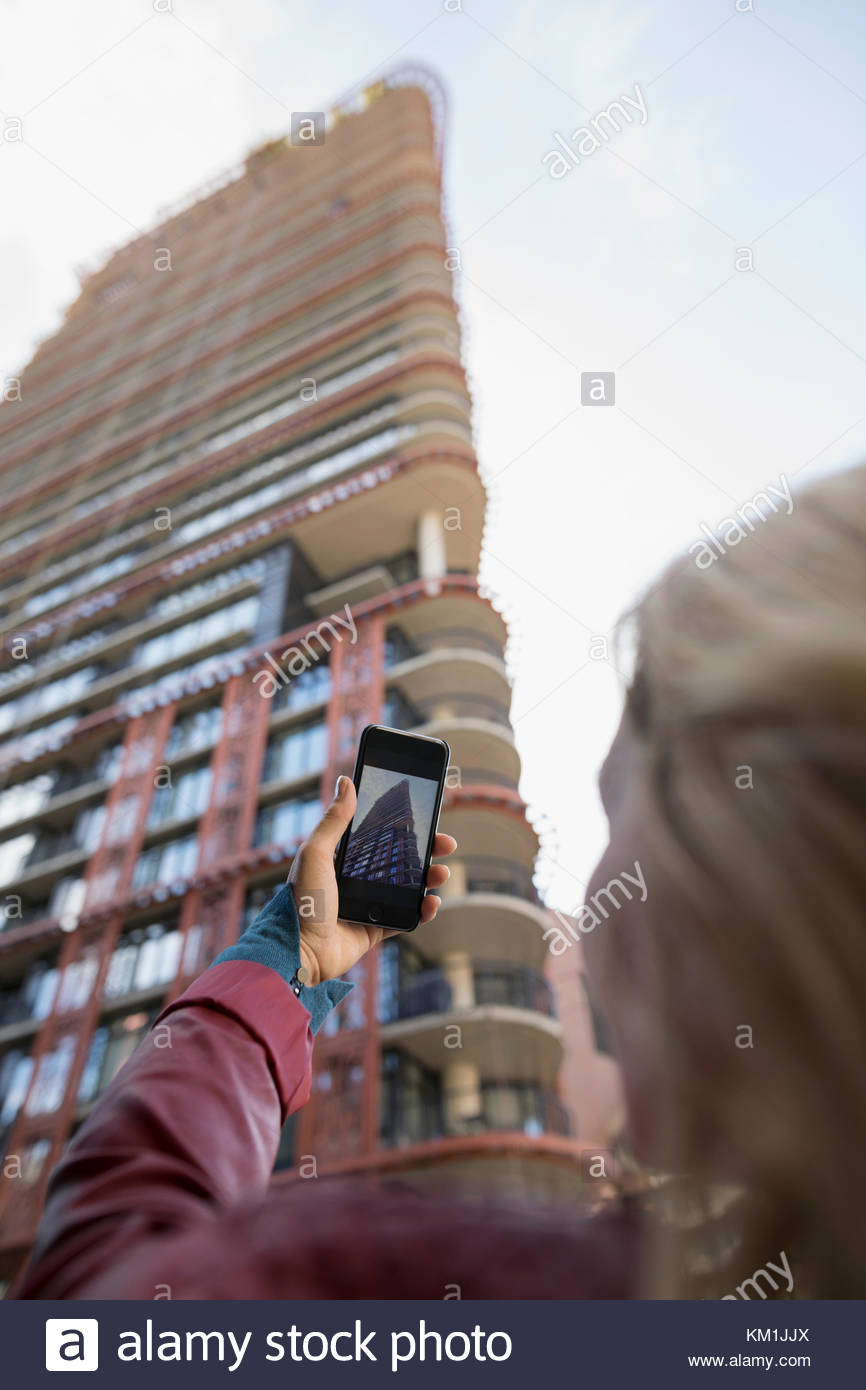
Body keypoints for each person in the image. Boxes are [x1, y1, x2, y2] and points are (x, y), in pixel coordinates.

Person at [14, 461, 866, 1299]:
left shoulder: (404, 1282)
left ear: (739, 881)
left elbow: (96, 1314)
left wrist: (283, 966)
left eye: (616, 812)